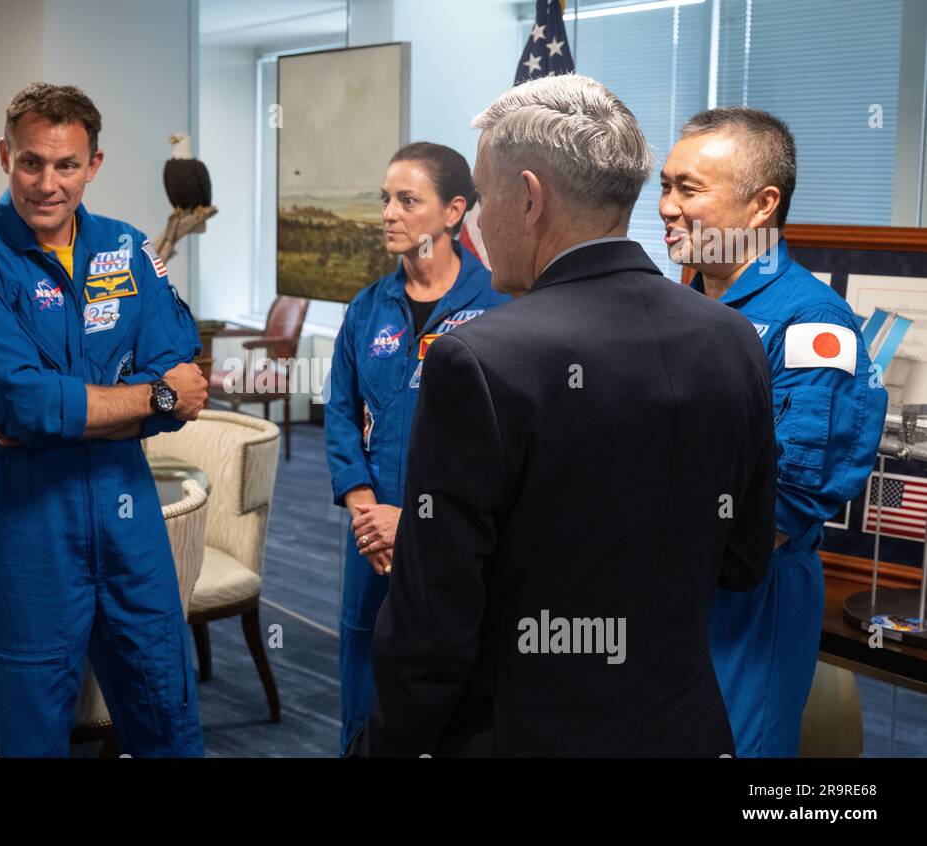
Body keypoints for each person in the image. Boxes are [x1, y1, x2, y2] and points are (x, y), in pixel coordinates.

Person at [357, 74, 777, 757]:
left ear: (528, 198)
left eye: (486, 200)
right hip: (688, 728)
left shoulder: (479, 360)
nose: (479, 225)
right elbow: (743, 560)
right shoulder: (733, 339)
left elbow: (432, 629)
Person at [0, 83, 208, 757]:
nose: (48, 184)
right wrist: (150, 397)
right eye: (31, 163)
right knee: (33, 737)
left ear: (95, 164)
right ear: (4, 155)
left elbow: (184, 383)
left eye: (67, 165)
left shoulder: (128, 247)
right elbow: (28, 404)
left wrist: (63, 412)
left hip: (129, 519)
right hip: (25, 530)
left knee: (169, 716)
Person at [661, 107, 887, 757]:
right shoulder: (677, 308)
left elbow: (786, 502)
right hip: (664, 588)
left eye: (690, 189)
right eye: (666, 185)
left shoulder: (813, 325)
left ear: (762, 205)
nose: (669, 207)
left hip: (744, 598)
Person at [325, 142, 509, 754]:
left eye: (408, 200)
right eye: (385, 200)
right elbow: (340, 416)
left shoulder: (502, 307)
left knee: (452, 675)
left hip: (458, 536)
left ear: (455, 211)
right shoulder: (367, 308)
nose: (389, 213)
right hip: (371, 532)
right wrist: (365, 513)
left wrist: (420, 525)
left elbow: (509, 442)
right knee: (366, 665)